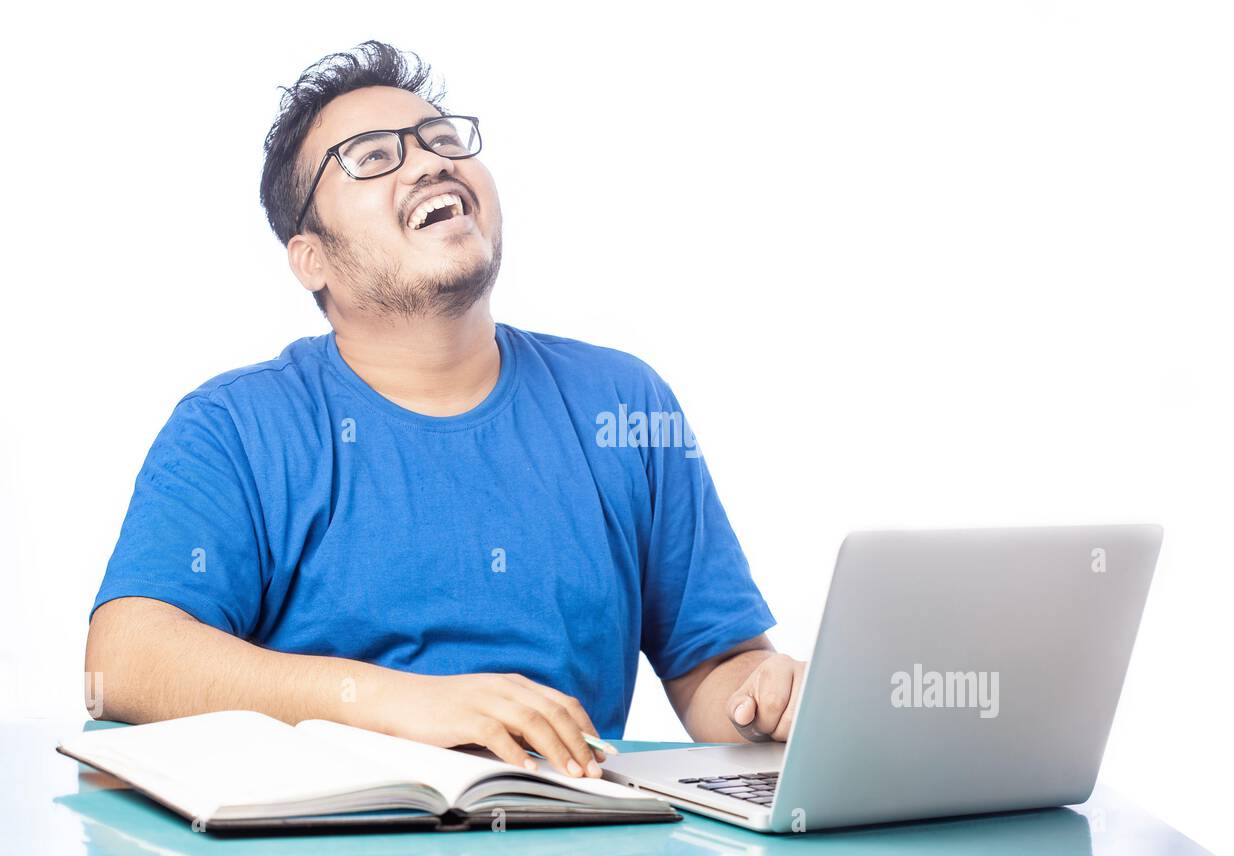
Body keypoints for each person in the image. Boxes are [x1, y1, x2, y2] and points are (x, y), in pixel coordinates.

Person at [86, 40, 806, 781]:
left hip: (575, 832)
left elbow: (715, 670)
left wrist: (771, 696)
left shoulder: (622, 401)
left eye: (443, 140)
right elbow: (125, 660)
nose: (430, 162)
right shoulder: (234, 428)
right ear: (312, 259)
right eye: (371, 156)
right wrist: (396, 703)